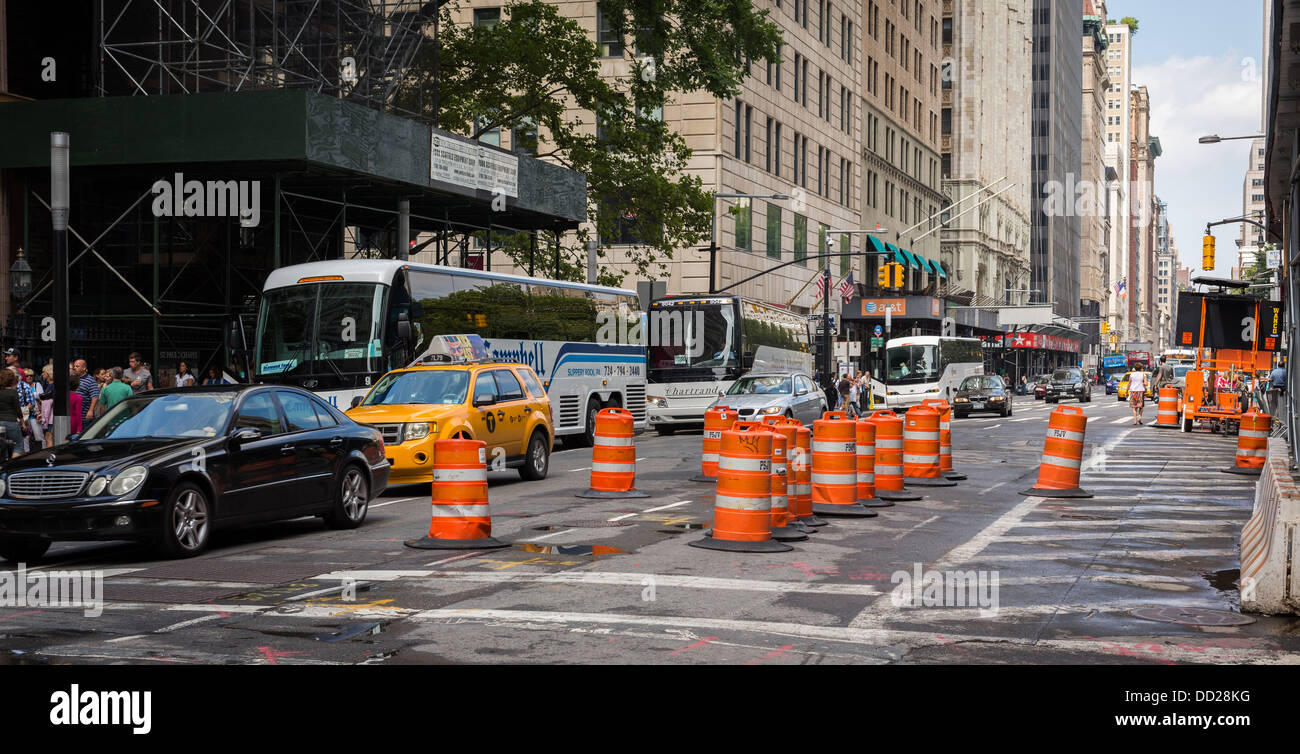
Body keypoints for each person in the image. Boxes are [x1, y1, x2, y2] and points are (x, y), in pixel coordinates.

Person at [0, 370, 23, 460]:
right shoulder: (13, 392)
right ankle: (11, 466)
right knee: (18, 446)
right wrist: (23, 423)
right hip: (11, 422)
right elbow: (18, 410)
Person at [72, 359, 99, 428]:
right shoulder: (73, 378)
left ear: (84, 368)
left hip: (84, 417)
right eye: (74, 366)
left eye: (77, 366)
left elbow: (95, 396)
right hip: (74, 415)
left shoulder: (91, 380)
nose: (74, 368)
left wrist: (91, 410)